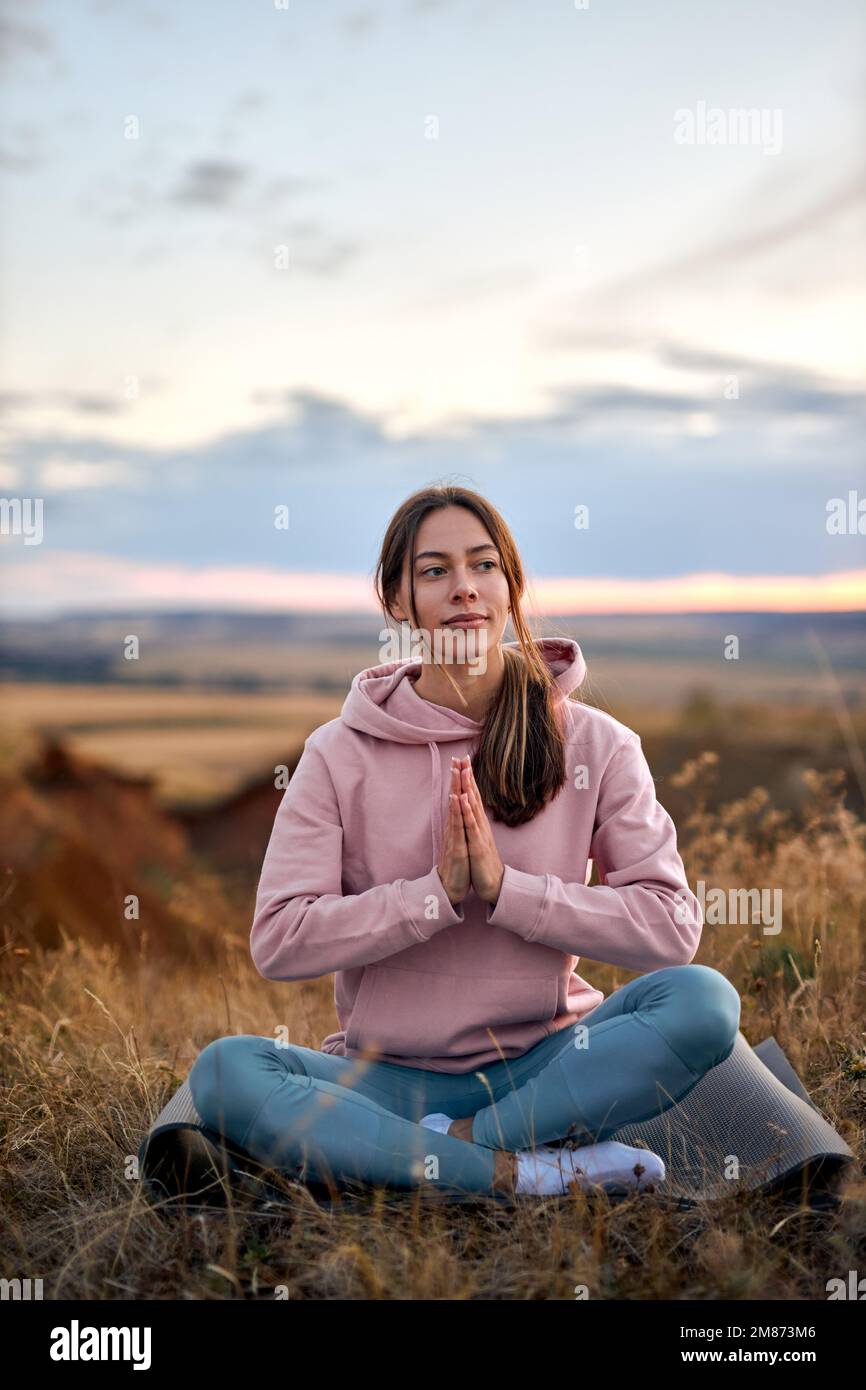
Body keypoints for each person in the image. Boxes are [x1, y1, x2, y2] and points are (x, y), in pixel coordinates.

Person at [189, 484, 741, 1199]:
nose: (464, 590)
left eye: (483, 565)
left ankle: (458, 1151)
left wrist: (510, 894)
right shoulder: (335, 755)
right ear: (398, 600)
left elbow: (671, 931)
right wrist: (432, 897)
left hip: (551, 1064)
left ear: (511, 586)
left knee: (702, 1001)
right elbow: (280, 942)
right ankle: (527, 1170)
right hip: (383, 1078)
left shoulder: (598, 744)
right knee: (227, 1071)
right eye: (434, 571)